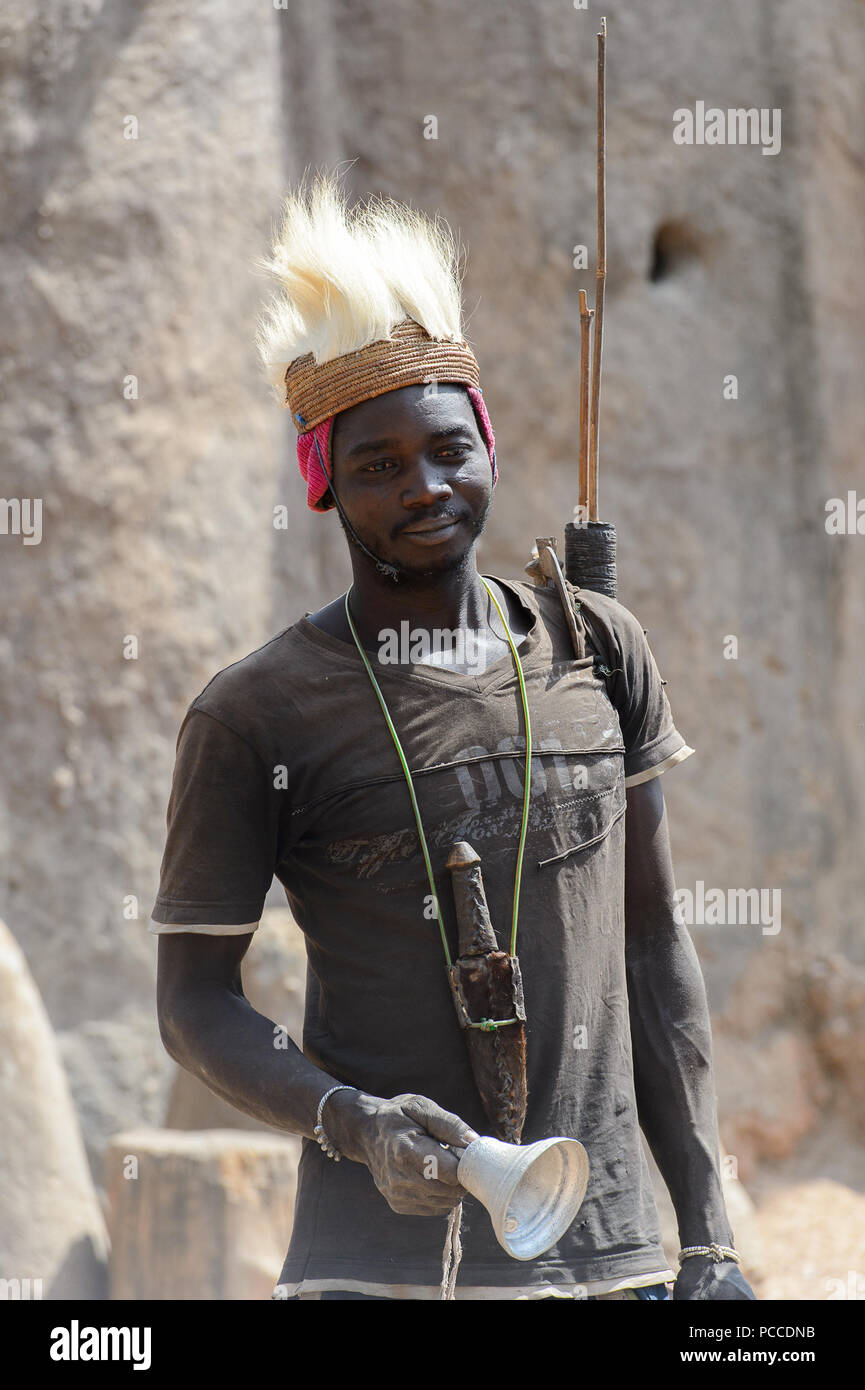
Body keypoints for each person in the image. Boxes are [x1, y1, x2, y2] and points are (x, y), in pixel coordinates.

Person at [152, 173, 754, 1302]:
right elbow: (193, 1002)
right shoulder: (255, 714)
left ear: (484, 443)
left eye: (445, 450)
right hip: (378, 1272)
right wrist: (355, 1122)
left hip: (611, 1261)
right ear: (325, 485)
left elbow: (655, 949)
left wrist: (708, 1238)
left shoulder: (598, 649)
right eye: (376, 465)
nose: (423, 487)